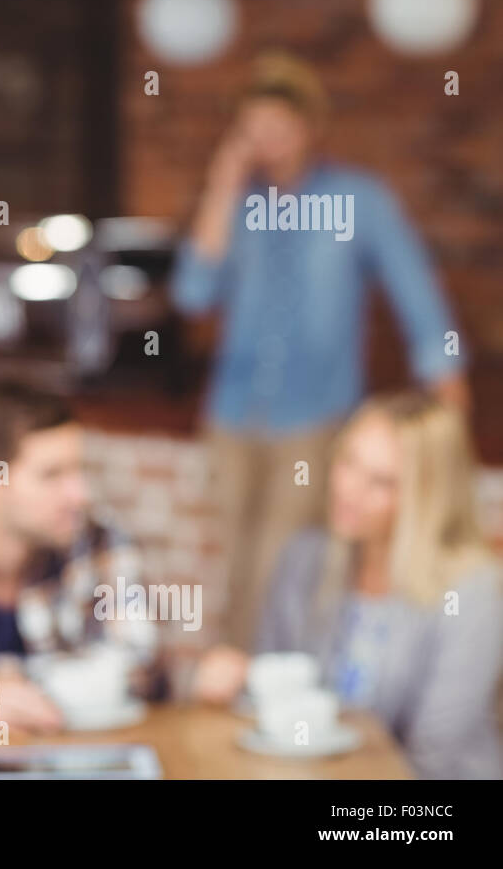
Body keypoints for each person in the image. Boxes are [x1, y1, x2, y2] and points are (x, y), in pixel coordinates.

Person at [170, 50, 469, 651]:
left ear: (310, 127)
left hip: (314, 420)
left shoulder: (361, 201)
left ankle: (251, 695)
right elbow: (192, 294)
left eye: (279, 127)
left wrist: (448, 389)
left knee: (277, 567)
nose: (267, 142)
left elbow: (419, 300)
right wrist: (221, 189)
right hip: (232, 417)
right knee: (233, 567)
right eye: (253, 129)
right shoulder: (239, 205)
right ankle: (245, 691)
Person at [192, 391, 503, 779]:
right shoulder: (305, 559)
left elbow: (430, 759)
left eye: (381, 482)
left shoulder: (472, 592)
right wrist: (241, 682)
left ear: (426, 498)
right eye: (349, 462)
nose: (349, 490)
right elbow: (275, 702)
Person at [0, 380, 165, 737]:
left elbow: (139, 668)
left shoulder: (99, 540)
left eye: (77, 470)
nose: (79, 494)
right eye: (52, 475)